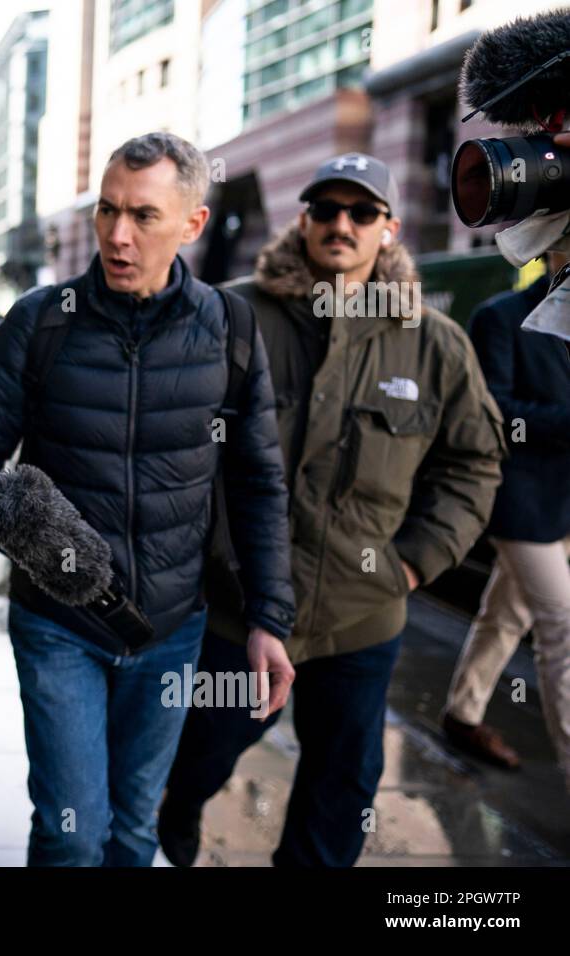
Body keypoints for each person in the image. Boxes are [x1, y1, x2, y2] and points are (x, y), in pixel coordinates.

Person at [0, 132, 296, 866]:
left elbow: (257, 480)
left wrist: (269, 616)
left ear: (192, 225)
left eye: (143, 215)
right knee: (73, 833)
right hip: (58, 626)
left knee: (134, 833)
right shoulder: (42, 321)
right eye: (108, 210)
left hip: (170, 629)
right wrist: (40, 544)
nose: (117, 234)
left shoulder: (230, 330)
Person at [159, 153, 506, 867]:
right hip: (236, 606)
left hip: (360, 614)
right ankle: (176, 820)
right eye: (326, 210)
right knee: (190, 757)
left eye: (361, 212)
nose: (340, 224)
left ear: (389, 228)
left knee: (340, 792)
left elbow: (474, 462)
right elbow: (162, 434)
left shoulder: (434, 343)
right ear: (304, 220)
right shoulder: (231, 313)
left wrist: (412, 565)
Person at [442, 250, 570, 789]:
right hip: (521, 503)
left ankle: (462, 714)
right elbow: (492, 412)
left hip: (564, 502)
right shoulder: (499, 316)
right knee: (563, 629)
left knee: (506, 615)